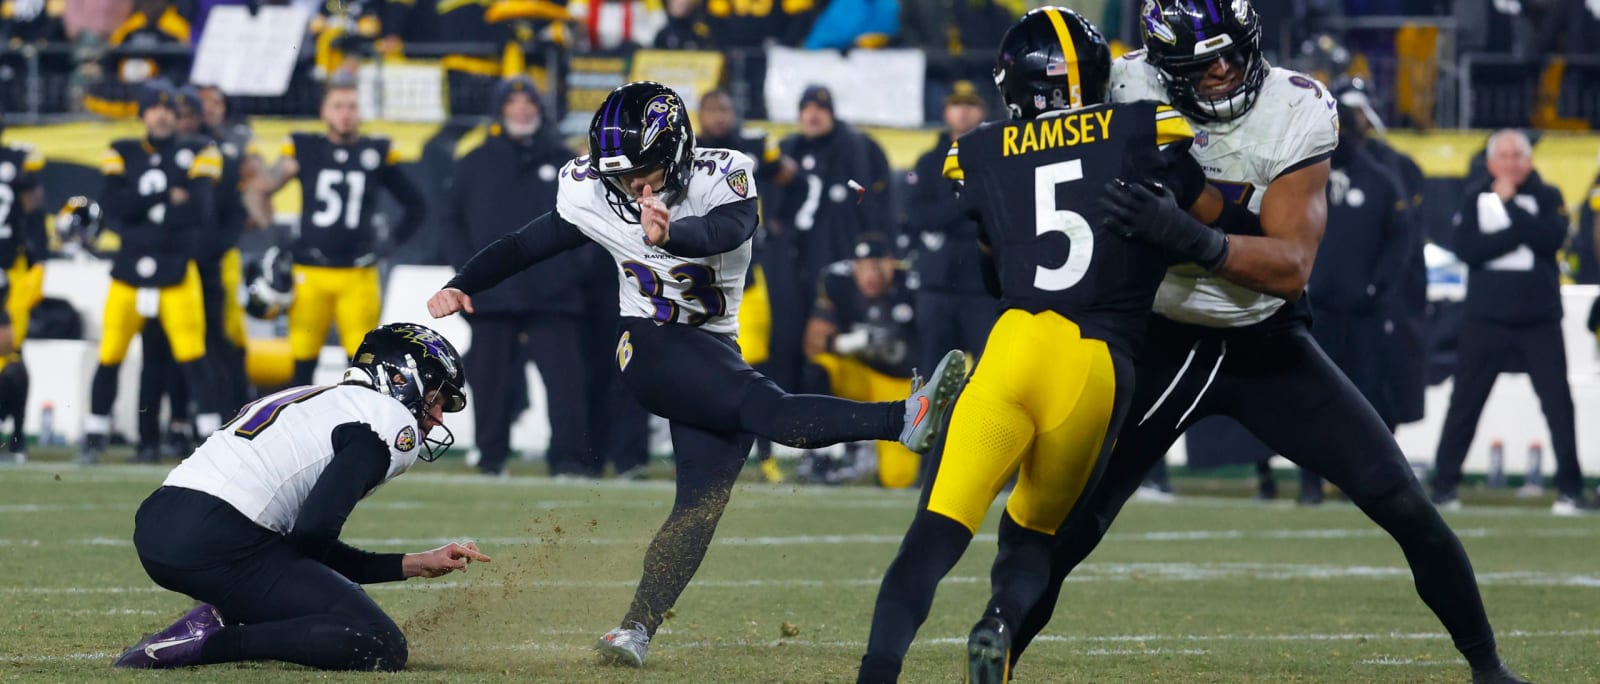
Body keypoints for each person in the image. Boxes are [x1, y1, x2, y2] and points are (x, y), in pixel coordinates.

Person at [1008, 4, 1530, 684]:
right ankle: (998, 654)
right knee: (1074, 523)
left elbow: (1290, 269)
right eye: (1203, 62)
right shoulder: (1122, 84)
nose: (1223, 71)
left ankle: (1488, 666)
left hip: (1262, 338)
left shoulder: (1298, 107)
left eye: (1233, 54)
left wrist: (1186, 232)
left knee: (1401, 498)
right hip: (1160, 333)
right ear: (1165, 67)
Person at [426, 80, 970, 668]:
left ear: (679, 150)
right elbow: (526, 244)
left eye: (644, 171)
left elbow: (731, 228)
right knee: (764, 406)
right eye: (620, 175)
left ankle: (634, 628)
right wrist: (464, 282)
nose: (631, 187)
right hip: (648, 343)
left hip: (713, 346)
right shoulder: (590, 188)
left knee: (699, 505)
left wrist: (672, 232)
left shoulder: (725, 171)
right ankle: (902, 418)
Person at [856, 8, 1216, 682]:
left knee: (933, 533)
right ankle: (998, 623)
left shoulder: (980, 150)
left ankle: (876, 675)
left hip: (1015, 342)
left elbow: (994, 264)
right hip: (1094, 366)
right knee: (1029, 539)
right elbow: (1208, 217)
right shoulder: (1147, 128)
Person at [111, 323, 491, 671]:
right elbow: (311, 536)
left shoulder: (316, 396)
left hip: (161, 520)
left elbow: (299, 546)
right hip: (216, 537)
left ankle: (222, 616)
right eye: (436, 397)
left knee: (296, 578)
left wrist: (411, 564)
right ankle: (213, 642)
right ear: (398, 377)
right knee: (381, 643)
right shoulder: (390, 421)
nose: (438, 416)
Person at [1432, 129, 1595, 516]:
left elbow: (1550, 240)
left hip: (1539, 321)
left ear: (1529, 160)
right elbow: (1469, 249)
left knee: (1558, 406)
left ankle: (1571, 491)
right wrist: (1519, 234)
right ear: (1490, 163)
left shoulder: (1549, 196)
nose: (1510, 162)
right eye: (1502, 155)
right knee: (1465, 405)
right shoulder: (1474, 197)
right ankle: (1442, 488)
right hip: (1484, 320)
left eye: (1517, 154)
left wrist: (1512, 212)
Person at [444, 76, 597, 477]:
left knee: (566, 385)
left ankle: (569, 461)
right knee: (490, 385)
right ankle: (491, 459)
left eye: (529, 102)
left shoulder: (567, 163)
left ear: (540, 110)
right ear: (499, 111)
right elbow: (452, 225)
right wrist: (467, 279)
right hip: (492, 298)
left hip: (555, 297)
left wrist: (571, 274)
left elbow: (592, 224)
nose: (521, 110)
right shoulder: (473, 163)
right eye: (512, 103)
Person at [245, 81, 427, 387]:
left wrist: (389, 244)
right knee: (301, 365)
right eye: (338, 106)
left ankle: (355, 432)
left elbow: (417, 205)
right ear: (324, 111)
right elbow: (258, 190)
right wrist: (276, 238)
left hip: (358, 273)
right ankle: (299, 432)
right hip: (310, 272)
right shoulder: (305, 147)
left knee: (362, 366)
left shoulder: (376, 151)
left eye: (352, 106)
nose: (345, 114)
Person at [80, 82, 225, 465]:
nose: (160, 114)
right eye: (153, 108)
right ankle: (95, 434)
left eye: (168, 109)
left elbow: (198, 212)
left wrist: (138, 207)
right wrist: (165, 196)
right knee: (110, 352)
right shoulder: (122, 150)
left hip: (177, 268)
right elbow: (113, 209)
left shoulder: (199, 150)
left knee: (193, 356)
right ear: (142, 114)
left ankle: (212, 438)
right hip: (129, 271)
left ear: (178, 116)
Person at [803, 232, 921, 488]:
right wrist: (848, 342)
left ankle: (871, 452)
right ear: (853, 266)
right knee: (819, 370)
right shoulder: (837, 281)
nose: (870, 275)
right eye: (863, 267)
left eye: (877, 266)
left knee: (899, 479)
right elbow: (812, 343)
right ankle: (825, 451)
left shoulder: (911, 286)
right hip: (859, 375)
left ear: (891, 264)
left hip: (900, 385)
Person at [905, 81, 996, 376]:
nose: (964, 112)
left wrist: (949, 213)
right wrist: (967, 204)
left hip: (983, 287)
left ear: (983, 110)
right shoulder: (929, 161)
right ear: (945, 112)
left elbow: (1000, 216)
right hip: (937, 286)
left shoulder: (998, 158)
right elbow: (917, 216)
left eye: (971, 105)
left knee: (989, 373)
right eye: (957, 105)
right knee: (933, 376)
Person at [0, 110, 46, 462]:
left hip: (9, 268)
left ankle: (16, 437)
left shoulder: (17, 157)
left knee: (10, 354)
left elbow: (32, 205)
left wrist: (38, 258)